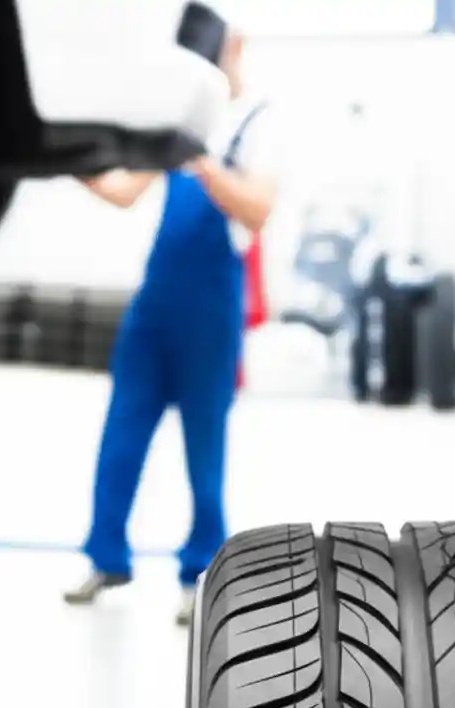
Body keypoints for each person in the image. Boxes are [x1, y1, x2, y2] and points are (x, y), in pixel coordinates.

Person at [63, 4, 283, 625]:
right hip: (154, 305)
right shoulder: (179, 120)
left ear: (233, 50)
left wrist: (204, 163)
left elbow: (259, 208)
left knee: (203, 447)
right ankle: (105, 558)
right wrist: (70, 160)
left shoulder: (259, 123)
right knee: (121, 435)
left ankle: (200, 572)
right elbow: (123, 192)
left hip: (212, 309)